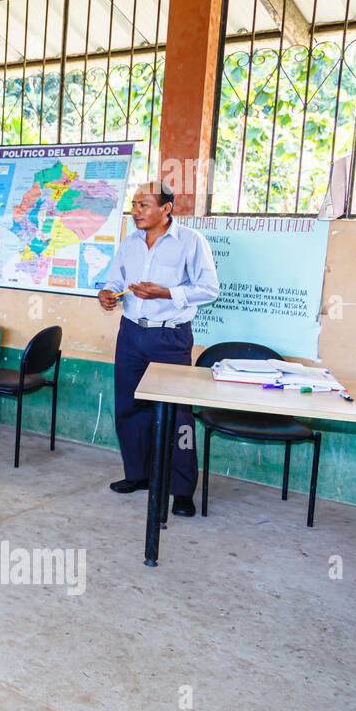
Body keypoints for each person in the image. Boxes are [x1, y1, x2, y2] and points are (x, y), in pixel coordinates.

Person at [98, 181, 219, 516]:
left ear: (167, 209)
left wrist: (166, 293)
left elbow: (209, 289)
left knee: (179, 416)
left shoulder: (191, 243)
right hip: (132, 335)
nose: (136, 211)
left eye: (144, 205)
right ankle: (138, 474)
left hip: (170, 338)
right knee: (129, 407)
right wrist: (107, 294)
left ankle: (181, 490)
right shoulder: (130, 243)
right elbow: (114, 279)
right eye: (135, 204)